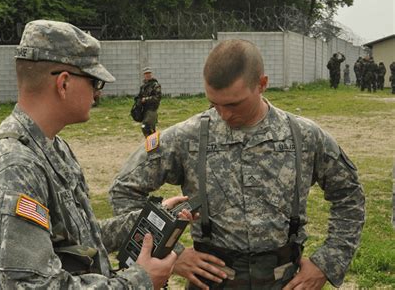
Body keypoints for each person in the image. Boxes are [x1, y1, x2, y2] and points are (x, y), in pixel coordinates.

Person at [0, 19, 192, 289]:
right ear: (64, 83)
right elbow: (32, 285)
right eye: (94, 82)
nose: (97, 94)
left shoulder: (52, 147)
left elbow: (77, 238)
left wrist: (143, 221)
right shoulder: (16, 167)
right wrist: (138, 282)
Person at [110, 39, 365, 289]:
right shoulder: (187, 137)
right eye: (214, 104)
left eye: (233, 103)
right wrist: (172, 252)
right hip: (212, 282)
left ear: (262, 84)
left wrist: (327, 262)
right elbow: (124, 190)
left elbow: (349, 195)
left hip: (285, 280)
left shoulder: (304, 136)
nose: (224, 114)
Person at [136, 67, 162, 136]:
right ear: (144, 75)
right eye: (146, 73)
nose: (148, 75)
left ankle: (153, 144)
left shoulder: (155, 85)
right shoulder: (143, 86)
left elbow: (157, 98)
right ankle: (151, 144)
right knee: (149, 129)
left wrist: (146, 99)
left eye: (149, 73)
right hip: (144, 110)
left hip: (152, 110)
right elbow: (139, 96)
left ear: (151, 74)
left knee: (146, 127)